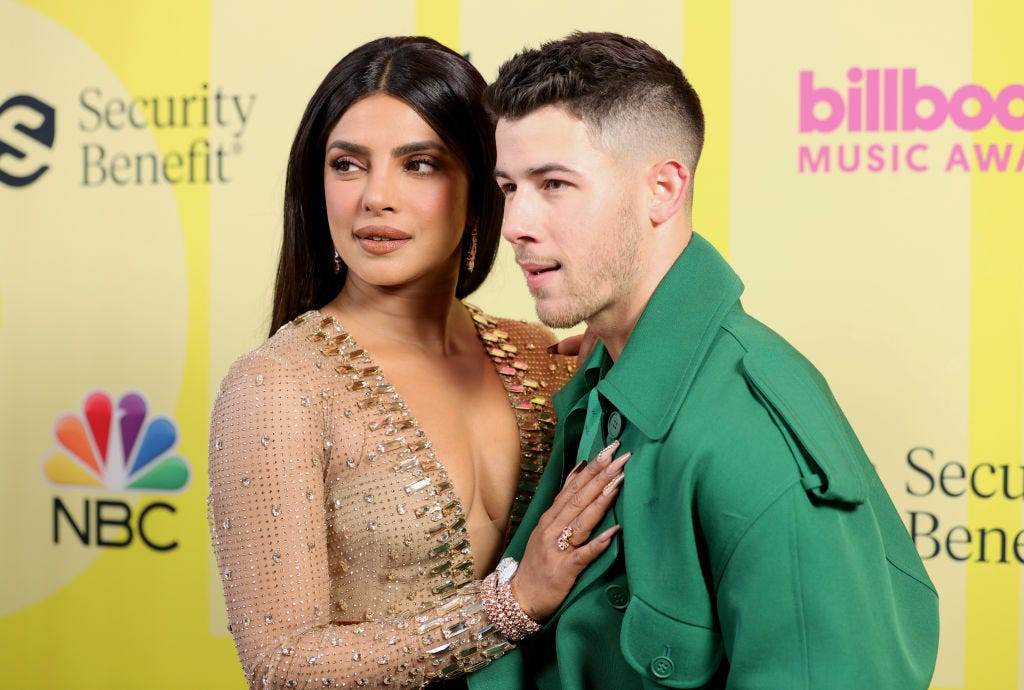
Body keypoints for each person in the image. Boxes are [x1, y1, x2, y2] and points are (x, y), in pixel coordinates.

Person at [468, 32, 941, 689]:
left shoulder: (749, 432)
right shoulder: (604, 373)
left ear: (663, 189)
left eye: (554, 184)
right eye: (509, 187)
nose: (515, 221)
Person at [207, 36, 627, 690]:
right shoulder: (279, 385)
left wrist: (625, 347)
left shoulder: (549, 358)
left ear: (483, 185)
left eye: (420, 164)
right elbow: (279, 666)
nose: (376, 196)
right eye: (347, 165)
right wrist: (508, 606)